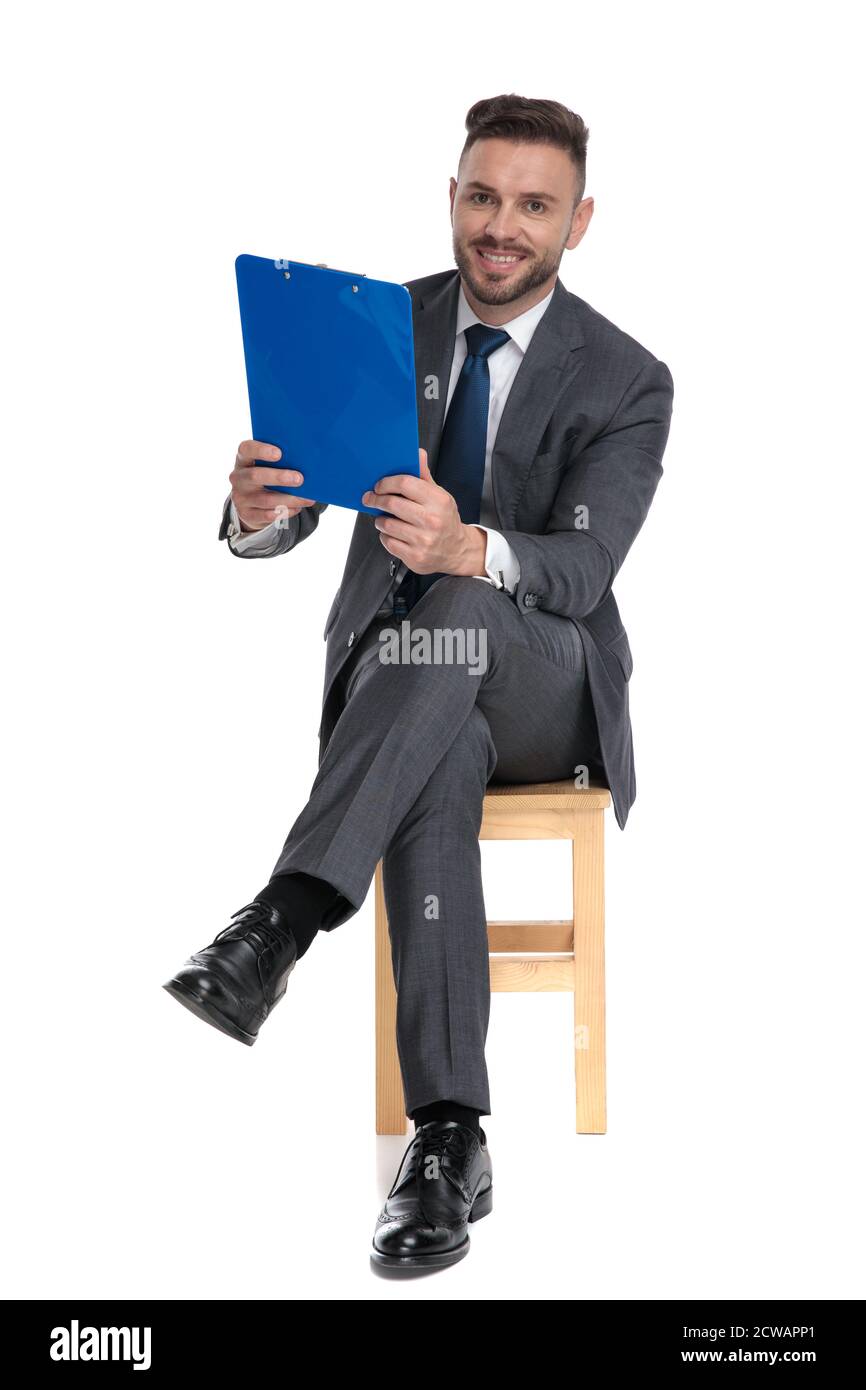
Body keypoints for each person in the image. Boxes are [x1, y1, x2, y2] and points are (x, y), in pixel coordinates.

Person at [163, 93, 674, 1271]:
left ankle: (282, 920)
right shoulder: (379, 321)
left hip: (545, 683)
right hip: (408, 694)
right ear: (453, 195)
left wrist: (467, 550)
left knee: (456, 608)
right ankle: (448, 1142)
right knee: (430, 733)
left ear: (576, 220)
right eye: (482, 196)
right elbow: (307, 496)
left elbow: (582, 566)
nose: (501, 226)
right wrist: (259, 511)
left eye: (532, 206)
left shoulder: (627, 378)